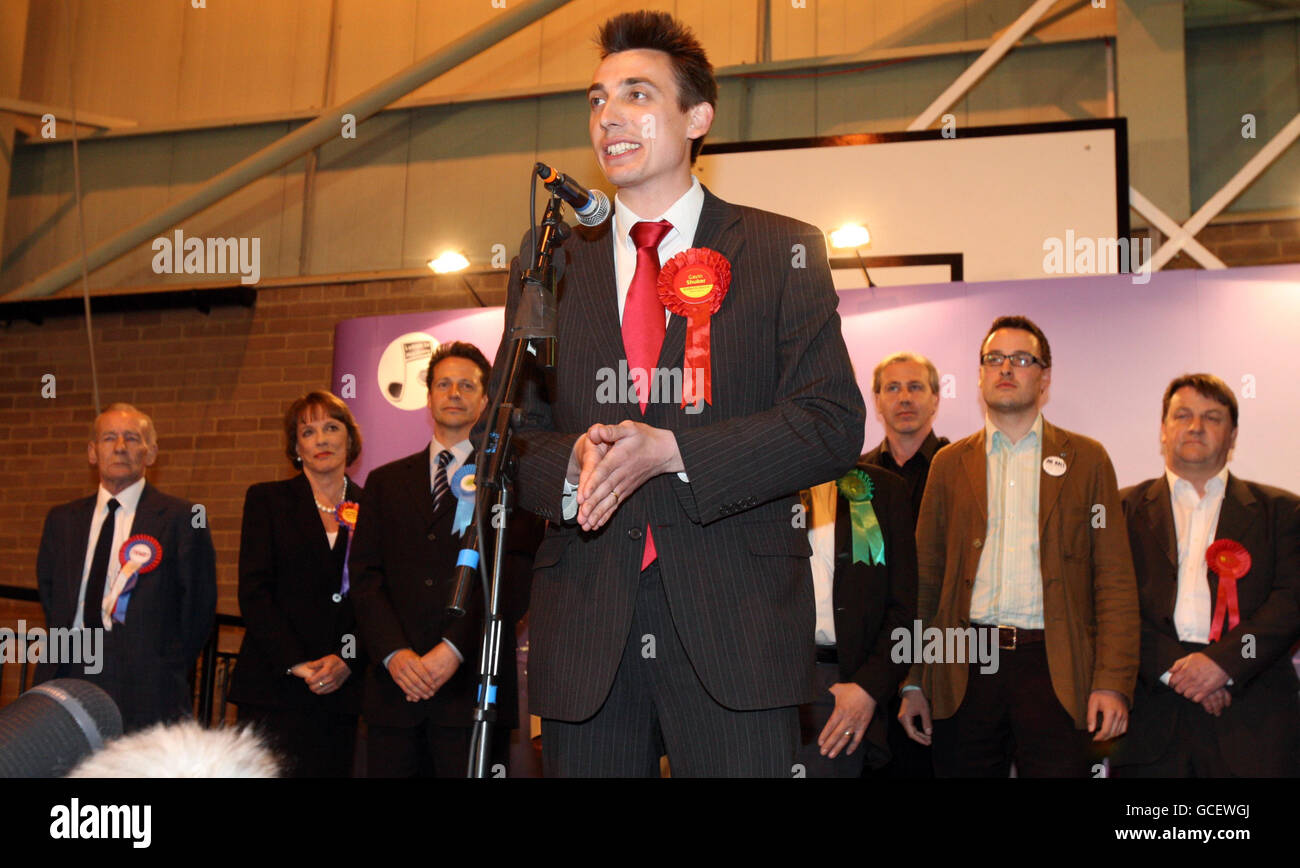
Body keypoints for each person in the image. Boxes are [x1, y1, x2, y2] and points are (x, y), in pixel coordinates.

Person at [493, 11, 865, 777]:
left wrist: (674, 452)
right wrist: (572, 465)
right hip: (587, 624)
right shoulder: (549, 259)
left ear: (698, 117)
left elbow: (831, 422)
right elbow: (511, 433)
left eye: (637, 94)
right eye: (597, 99)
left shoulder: (779, 248)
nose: (609, 116)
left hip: (736, 624)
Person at [898, 316, 1139, 777]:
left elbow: (1114, 582)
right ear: (980, 374)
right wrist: (913, 681)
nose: (1006, 368)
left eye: (1021, 359)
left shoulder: (1087, 459)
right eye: (994, 359)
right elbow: (924, 581)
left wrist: (1113, 681)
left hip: (1055, 668)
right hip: (962, 667)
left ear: (1044, 377)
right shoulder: (949, 464)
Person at [1112, 374, 1300, 777]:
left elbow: (1290, 604)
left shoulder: (1283, 511)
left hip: (1253, 715)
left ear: (1232, 436)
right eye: (1183, 415)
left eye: (1212, 417)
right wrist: (1179, 671)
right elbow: (1110, 606)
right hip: (1151, 713)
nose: (1195, 426)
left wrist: (1224, 664)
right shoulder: (1118, 510)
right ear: (1163, 431)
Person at [350, 341, 500, 777]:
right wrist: (395, 654)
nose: (454, 393)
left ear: (485, 399)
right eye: (444, 384)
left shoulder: (505, 480)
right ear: (429, 396)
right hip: (394, 691)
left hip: (470, 688)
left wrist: (452, 649)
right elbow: (365, 577)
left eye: (467, 385)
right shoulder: (383, 482)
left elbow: (514, 577)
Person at [35, 403, 216, 733]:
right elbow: (51, 595)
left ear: (151, 453)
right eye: (109, 438)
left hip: (146, 684)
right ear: (93, 452)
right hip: (67, 670)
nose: (120, 447)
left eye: (132, 438)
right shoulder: (61, 520)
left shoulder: (182, 519)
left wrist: (162, 663)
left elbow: (198, 609)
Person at [228, 391, 365, 777]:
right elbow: (254, 593)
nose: (321, 439)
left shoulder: (374, 508)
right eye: (308, 431)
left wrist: (347, 661)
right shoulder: (266, 500)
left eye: (331, 428)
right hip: (273, 685)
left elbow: (376, 597)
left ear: (349, 439)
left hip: (341, 692)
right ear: (295, 446)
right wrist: (298, 663)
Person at [795, 462, 916, 777]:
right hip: (761, 685)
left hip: (841, 690)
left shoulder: (883, 488)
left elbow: (903, 608)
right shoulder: (757, 482)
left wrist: (868, 687)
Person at [862, 351, 949, 525]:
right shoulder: (859, 474)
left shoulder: (956, 467)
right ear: (877, 401)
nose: (904, 398)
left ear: (935, 399)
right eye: (893, 388)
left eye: (915, 387)